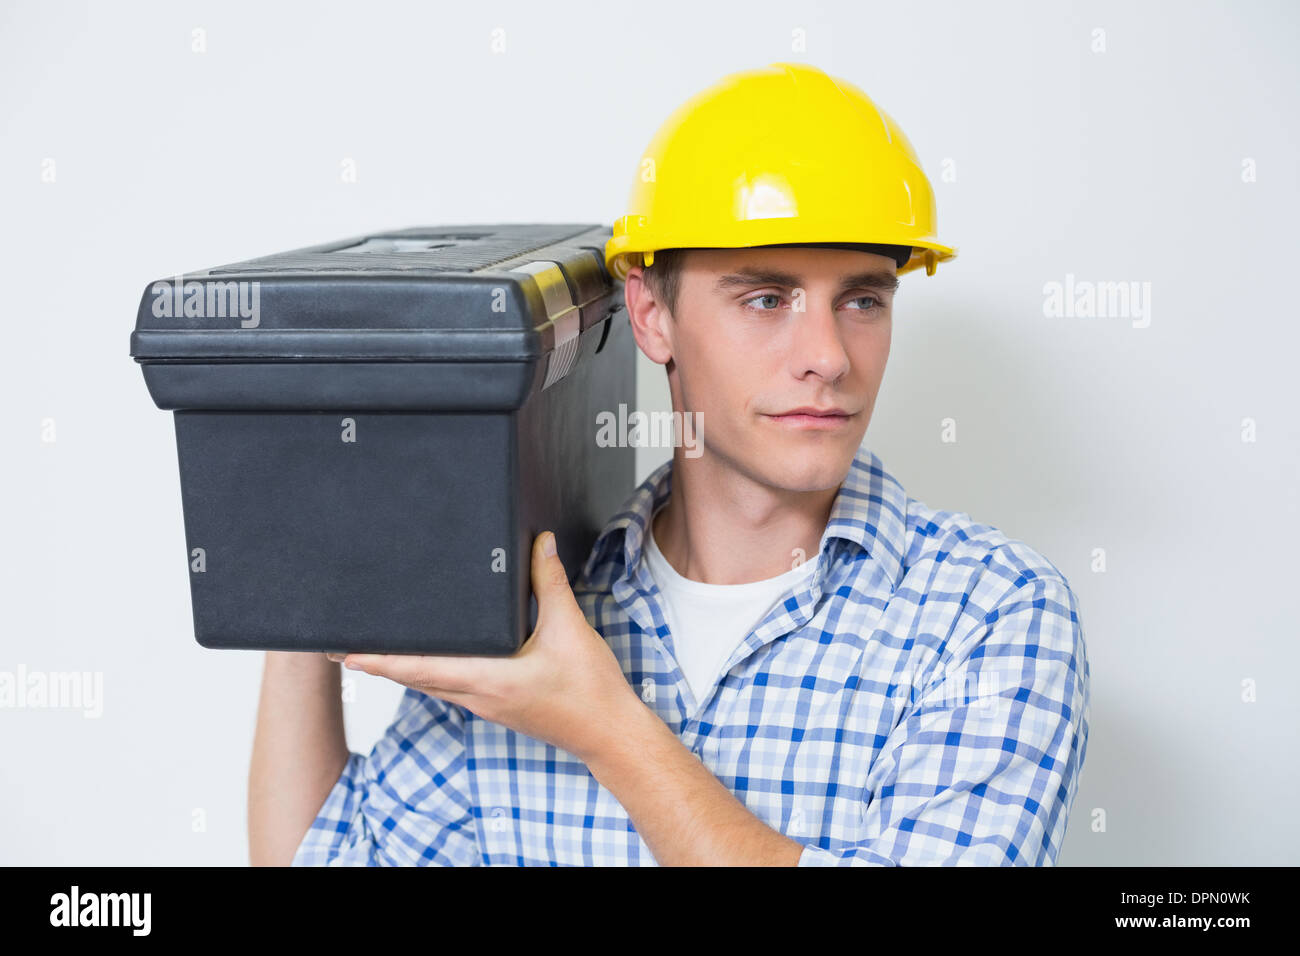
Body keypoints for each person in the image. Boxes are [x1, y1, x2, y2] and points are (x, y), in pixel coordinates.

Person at [248, 62, 1090, 867]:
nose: (829, 357)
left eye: (862, 299)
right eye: (767, 298)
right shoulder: (541, 611)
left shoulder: (987, 616)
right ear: (650, 314)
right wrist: (308, 566)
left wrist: (603, 726)